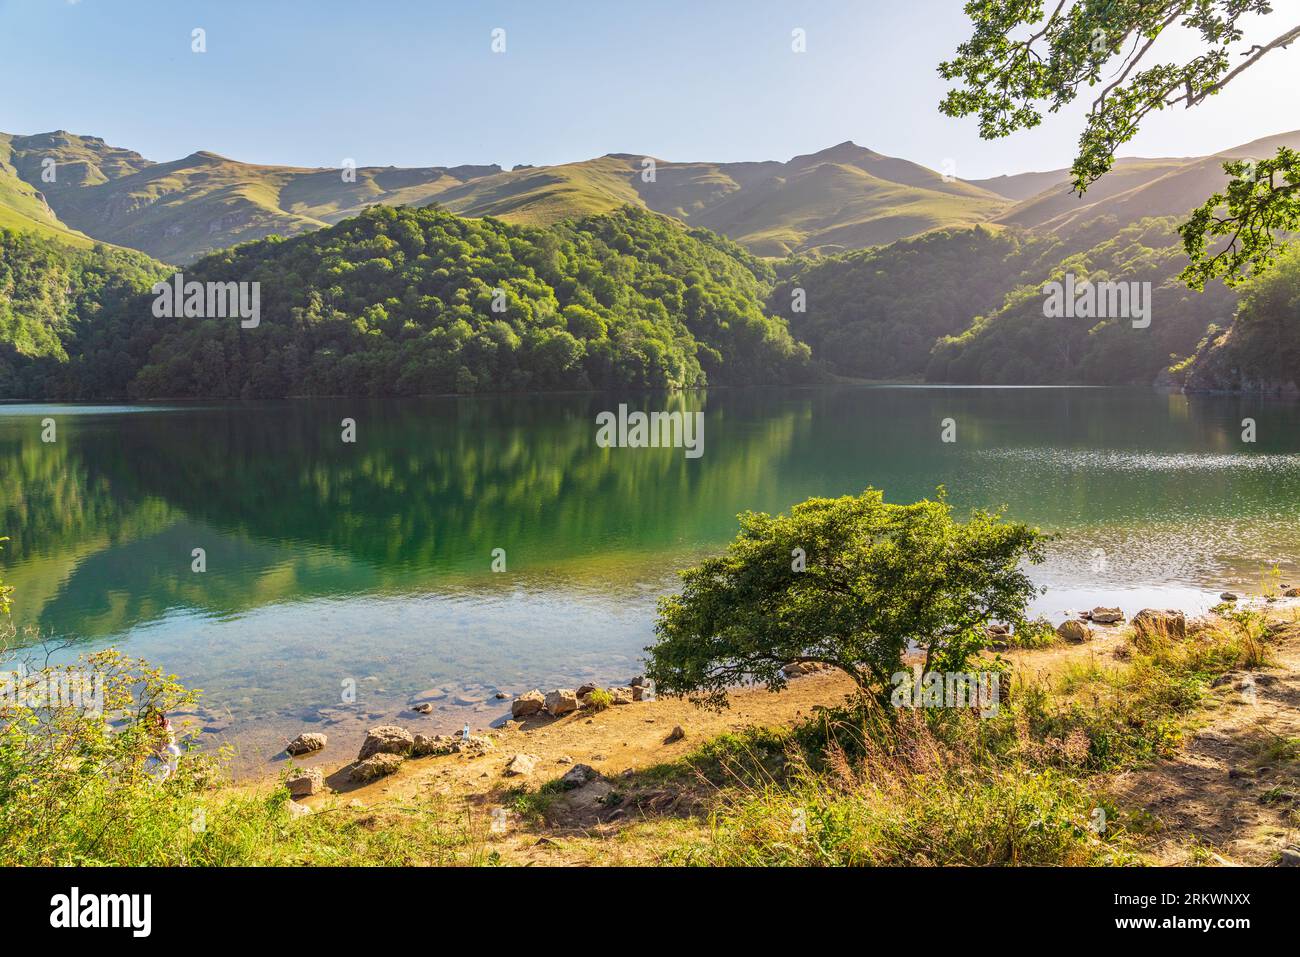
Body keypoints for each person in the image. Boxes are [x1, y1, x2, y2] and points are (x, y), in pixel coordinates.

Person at [143, 708, 181, 781]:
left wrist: (165, 732)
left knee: (174, 750)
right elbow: (143, 748)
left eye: (159, 719)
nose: (157, 722)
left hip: (163, 755)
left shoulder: (166, 728)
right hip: (150, 757)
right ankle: (151, 787)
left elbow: (170, 743)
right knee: (162, 768)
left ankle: (172, 776)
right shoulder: (144, 731)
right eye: (153, 719)